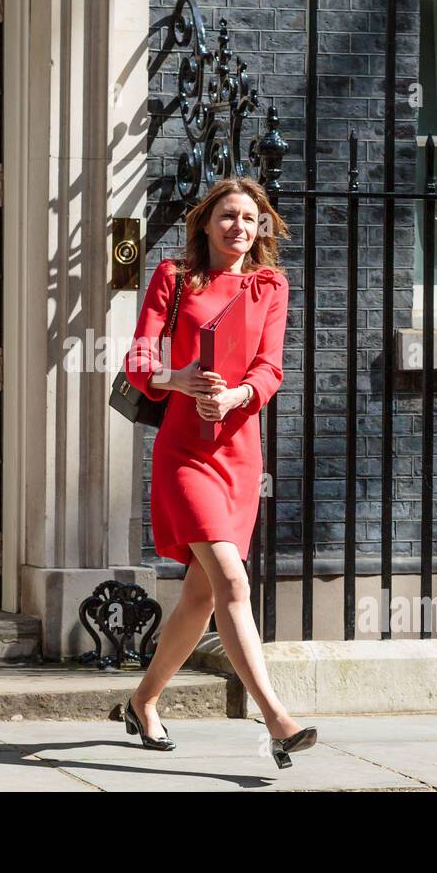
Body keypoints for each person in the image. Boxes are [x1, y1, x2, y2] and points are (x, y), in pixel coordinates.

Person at [116, 176, 317, 770]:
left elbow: (270, 367)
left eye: (251, 220)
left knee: (200, 598)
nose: (239, 228)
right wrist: (174, 378)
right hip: (184, 450)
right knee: (231, 580)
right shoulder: (174, 278)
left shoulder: (270, 285)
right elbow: (139, 354)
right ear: (205, 222)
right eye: (228, 216)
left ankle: (142, 701)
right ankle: (278, 720)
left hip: (238, 450)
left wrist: (235, 399)